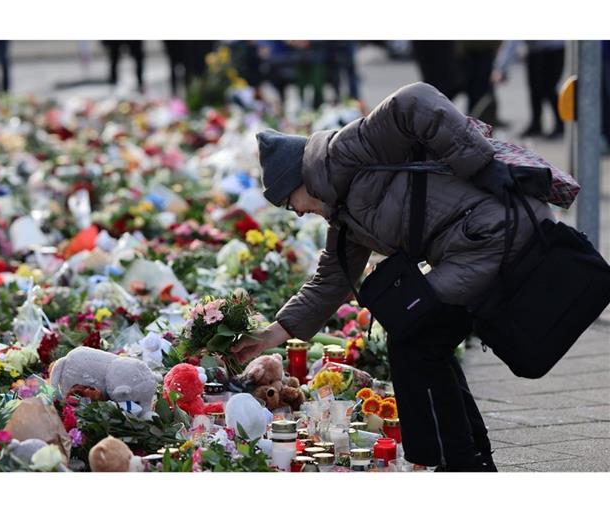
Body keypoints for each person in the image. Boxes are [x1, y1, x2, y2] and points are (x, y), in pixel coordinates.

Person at [231, 82, 554, 472]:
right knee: (421, 338)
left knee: (418, 339)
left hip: (492, 230)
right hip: (469, 244)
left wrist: (480, 163)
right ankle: (468, 459)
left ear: (299, 180)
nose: (296, 212)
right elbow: (331, 279)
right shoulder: (342, 214)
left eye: (287, 203)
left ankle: (457, 463)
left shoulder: (347, 151)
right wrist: (269, 335)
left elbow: (414, 99)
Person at [492, 41, 566, 138]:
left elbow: (512, 43)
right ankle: (536, 124)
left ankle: (560, 125)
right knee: (534, 88)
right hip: (534, 49)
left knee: (549, 89)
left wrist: (501, 68)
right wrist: (501, 68)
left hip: (553, 49)